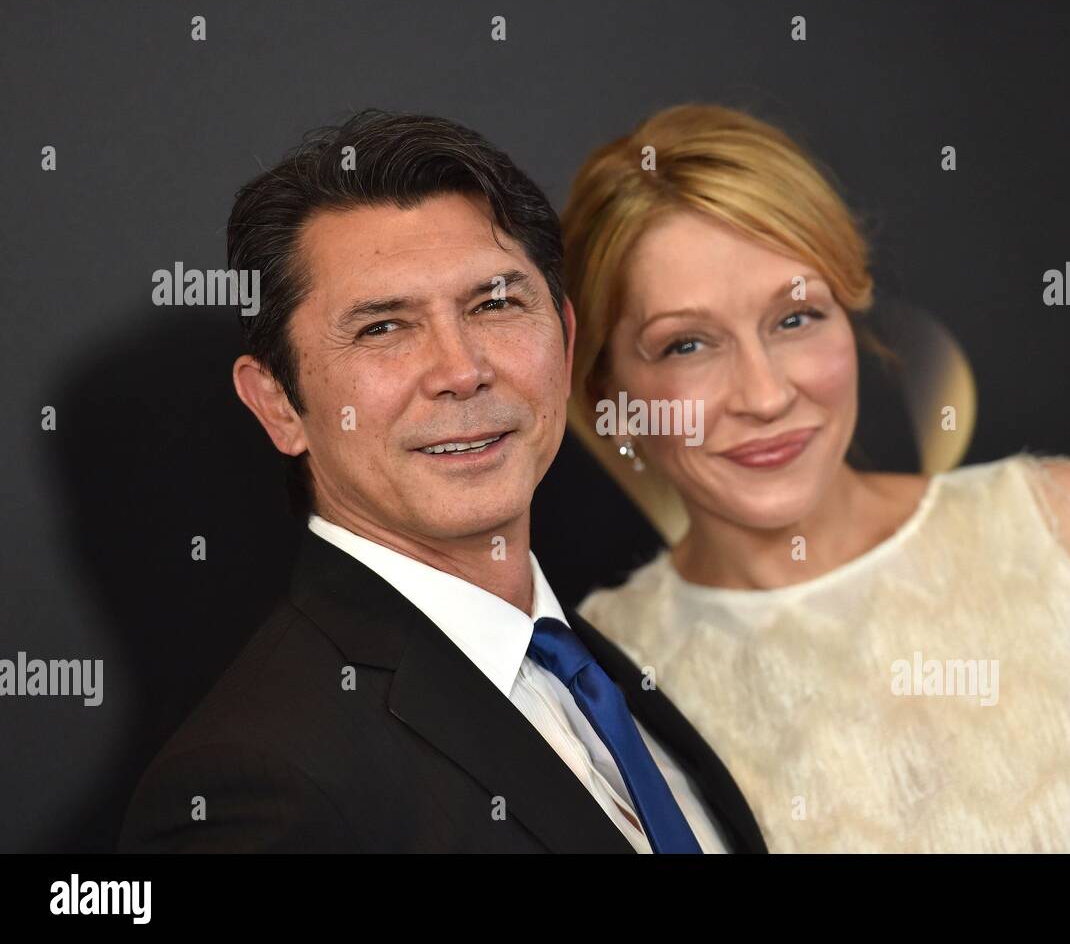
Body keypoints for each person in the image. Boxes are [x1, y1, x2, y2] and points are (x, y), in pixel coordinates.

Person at [562, 103, 1070, 853]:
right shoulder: (606, 678)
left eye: (795, 319)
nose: (765, 394)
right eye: (687, 343)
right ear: (606, 397)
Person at [117, 109, 766, 854]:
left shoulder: (607, 671)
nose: (461, 370)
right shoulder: (256, 784)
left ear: (565, 336)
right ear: (278, 404)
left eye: (495, 303)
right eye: (383, 328)